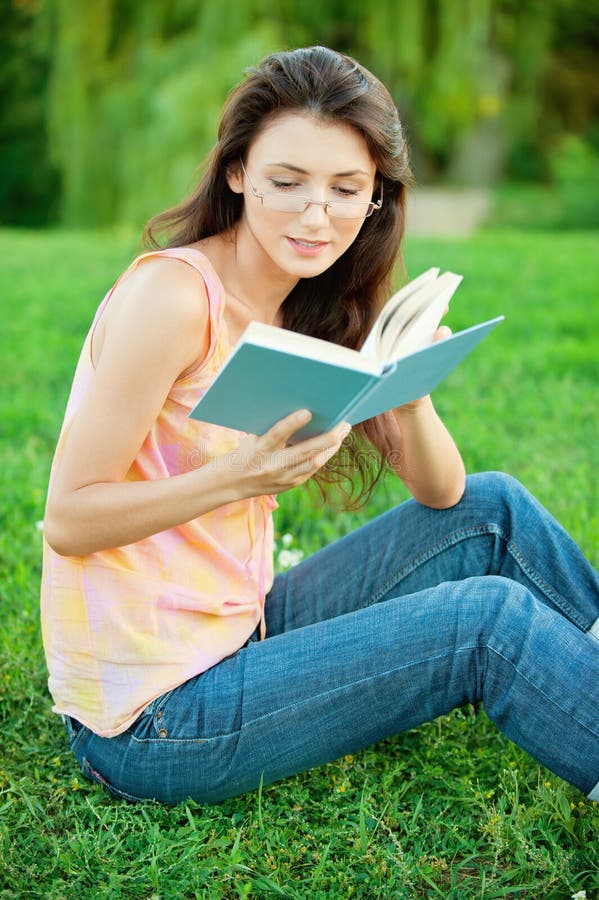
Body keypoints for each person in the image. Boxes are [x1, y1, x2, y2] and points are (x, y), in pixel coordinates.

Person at [41, 45, 599, 806]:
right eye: (286, 182)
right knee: (484, 624)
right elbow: (69, 520)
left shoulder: (314, 302)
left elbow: (445, 496)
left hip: (243, 629)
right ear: (237, 173)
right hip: (156, 720)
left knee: (491, 510)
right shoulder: (172, 300)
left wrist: (408, 395)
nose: (316, 215)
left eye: (346, 189)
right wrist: (237, 478)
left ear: (377, 196)